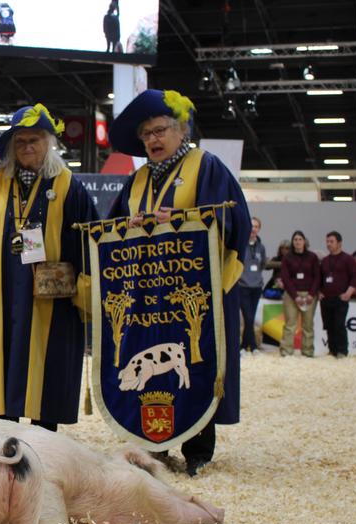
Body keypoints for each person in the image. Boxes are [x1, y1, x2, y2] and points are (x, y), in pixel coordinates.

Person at [107, 89, 252, 476]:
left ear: (181, 129)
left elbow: (231, 221)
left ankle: (198, 448)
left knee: (196, 358)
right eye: (146, 135)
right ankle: (153, 443)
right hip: (147, 295)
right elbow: (114, 229)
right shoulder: (136, 181)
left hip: (193, 293)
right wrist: (126, 226)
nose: (153, 140)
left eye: (160, 130)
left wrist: (187, 218)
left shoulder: (207, 167)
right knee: (148, 362)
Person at [0, 103, 96, 432]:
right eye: (20, 141)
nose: (28, 147)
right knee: (6, 362)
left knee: (50, 368)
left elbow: (90, 239)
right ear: (10, 147)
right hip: (5, 291)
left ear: (49, 142)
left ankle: (45, 434)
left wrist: (86, 289)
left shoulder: (69, 186)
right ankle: (5, 429)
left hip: (54, 299)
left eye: (35, 140)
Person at [279, 230, 320, 358]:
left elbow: (317, 277)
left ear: (304, 241)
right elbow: (285, 278)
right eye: (295, 239)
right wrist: (295, 296)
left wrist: (311, 295)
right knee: (290, 324)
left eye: (300, 239)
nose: (297, 242)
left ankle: (307, 352)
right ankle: (286, 351)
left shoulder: (312, 257)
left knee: (308, 325)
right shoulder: (287, 258)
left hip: (309, 295)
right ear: (293, 242)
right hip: (292, 295)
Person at [319, 231, 356, 358]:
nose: (328, 244)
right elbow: (320, 278)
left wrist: (349, 293)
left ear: (339, 243)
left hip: (341, 298)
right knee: (329, 325)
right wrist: (319, 292)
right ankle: (332, 350)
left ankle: (342, 351)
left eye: (331, 241)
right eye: (327, 241)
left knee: (339, 325)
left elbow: (354, 277)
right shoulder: (325, 260)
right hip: (326, 298)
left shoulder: (348, 259)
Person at [238, 217, 266, 353]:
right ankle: (253, 346)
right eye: (251, 226)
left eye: (256, 226)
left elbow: (262, 265)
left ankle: (244, 346)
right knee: (248, 317)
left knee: (251, 317)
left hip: (256, 286)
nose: (253, 229)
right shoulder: (241, 244)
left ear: (259, 229)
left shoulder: (261, 247)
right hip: (243, 286)